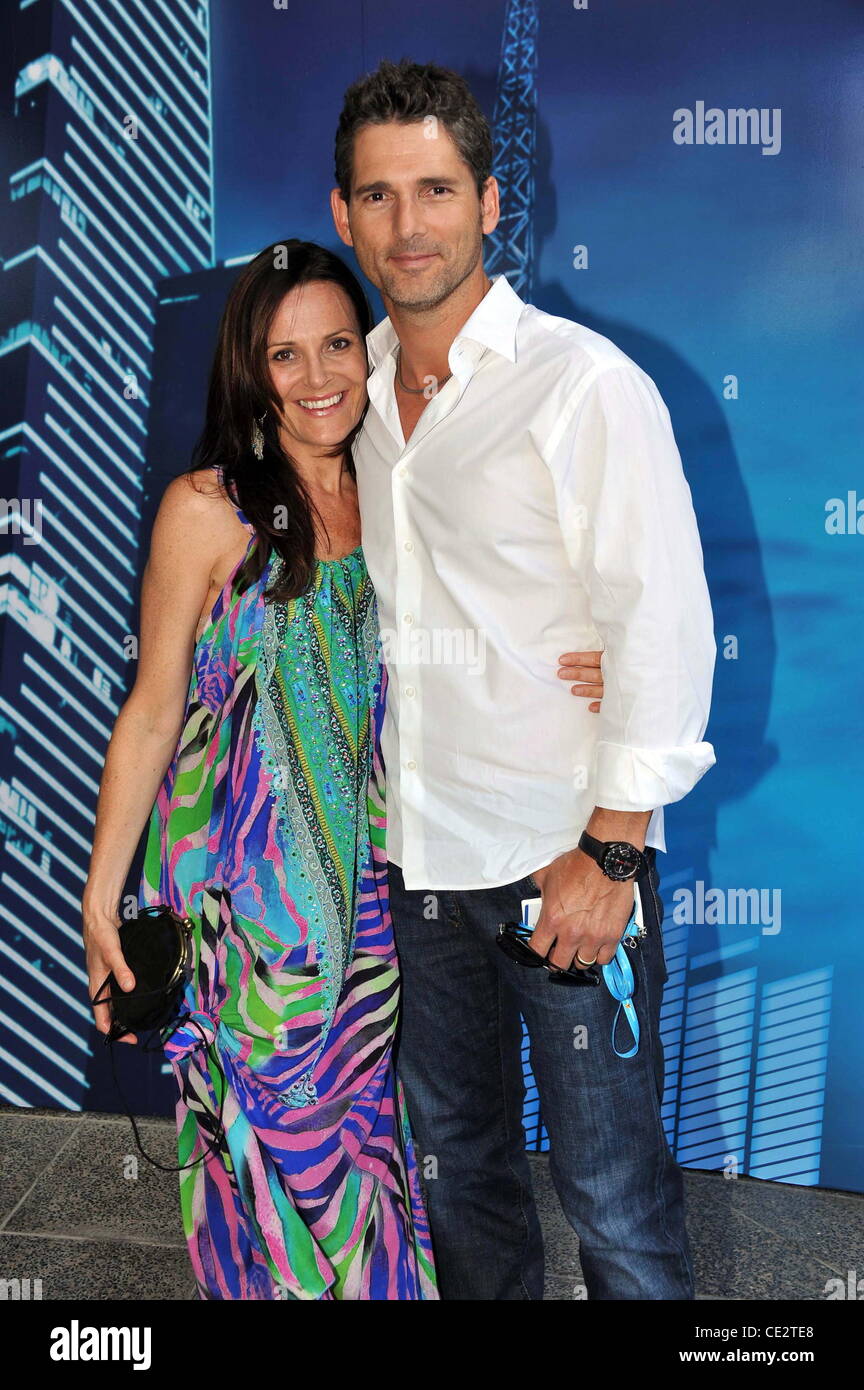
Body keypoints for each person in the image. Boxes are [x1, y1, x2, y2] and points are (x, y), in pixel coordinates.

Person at [81, 238, 604, 1300]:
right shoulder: (209, 508)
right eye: (286, 355)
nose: (319, 378)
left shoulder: (396, 490)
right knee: (283, 1153)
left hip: (372, 901)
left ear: (368, 354)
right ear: (250, 370)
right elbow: (152, 711)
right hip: (247, 913)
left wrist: (589, 653)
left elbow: (495, 613)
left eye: (336, 347)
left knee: (368, 1157)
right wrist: (100, 899)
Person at [330, 59, 717, 1300]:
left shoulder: (582, 384)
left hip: (563, 857)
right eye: (379, 196)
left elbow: (658, 619)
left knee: (613, 1198)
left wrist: (612, 851)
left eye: (436, 189)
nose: (409, 225)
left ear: (490, 201)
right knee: (461, 1175)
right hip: (422, 864)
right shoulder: (352, 401)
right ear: (343, 215)